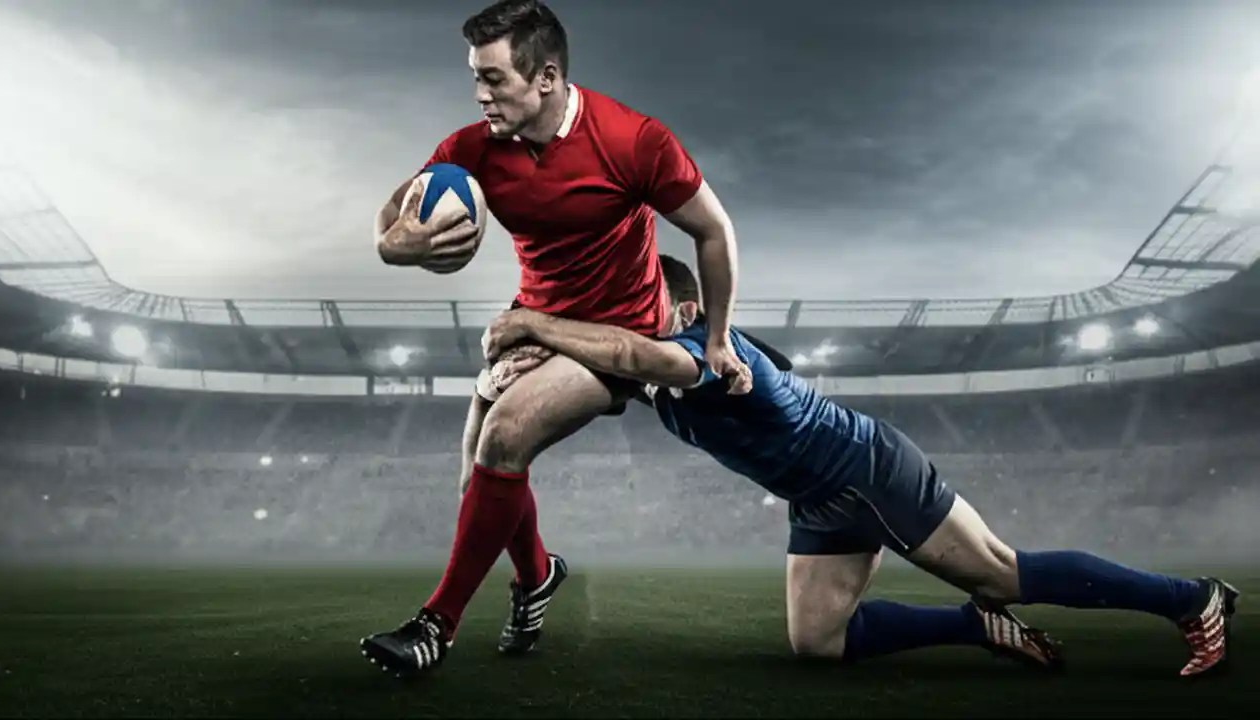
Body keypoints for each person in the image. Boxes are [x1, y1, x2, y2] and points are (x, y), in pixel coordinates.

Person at [476, 254, 1239, 678]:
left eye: (638, 306)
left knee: (1002, 571)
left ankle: (1191, 598)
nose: (629, 322)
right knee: (817, 643)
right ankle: (973, 629)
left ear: (675, 307)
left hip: (864, 472)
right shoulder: (655, 368)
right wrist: (537, 359)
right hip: (816, 500)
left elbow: (629, 356)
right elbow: (614, 373)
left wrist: (535, 325)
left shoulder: (709, 348)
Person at [361, 0, 753, 676]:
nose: (481, 94)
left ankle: (435, 626)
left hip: (618, 333)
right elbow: (393, 220)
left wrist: (715, 339)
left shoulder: (634, 141)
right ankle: (538, 576)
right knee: (477, 478)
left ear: (545, 77)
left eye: (494, 79)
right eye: (474, 78)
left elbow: (714, 230)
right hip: (533, 318)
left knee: (507, 434)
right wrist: (399, 246)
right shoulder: (471, 149)